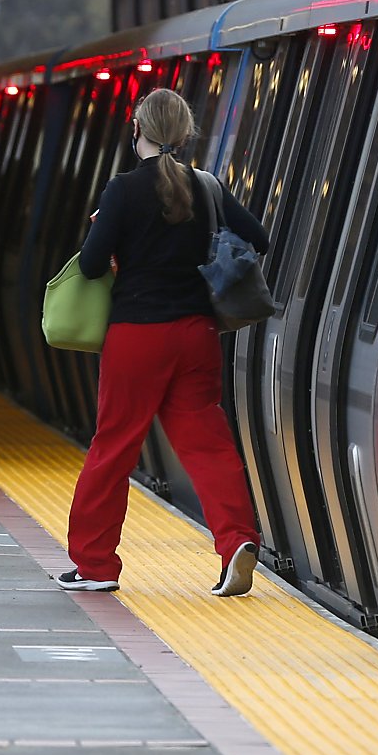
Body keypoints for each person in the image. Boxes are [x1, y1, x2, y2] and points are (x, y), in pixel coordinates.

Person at [59, 88, 270, 597]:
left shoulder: (122, 191)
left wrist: (104, 236)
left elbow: (90, 266)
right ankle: (237, 541)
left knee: (114, 447)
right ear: (184, 133)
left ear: (137, 131)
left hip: (137, 336)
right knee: (208, 445)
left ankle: (95, 564)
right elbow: (259, 239)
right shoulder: (207, 187)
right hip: (196, 335)